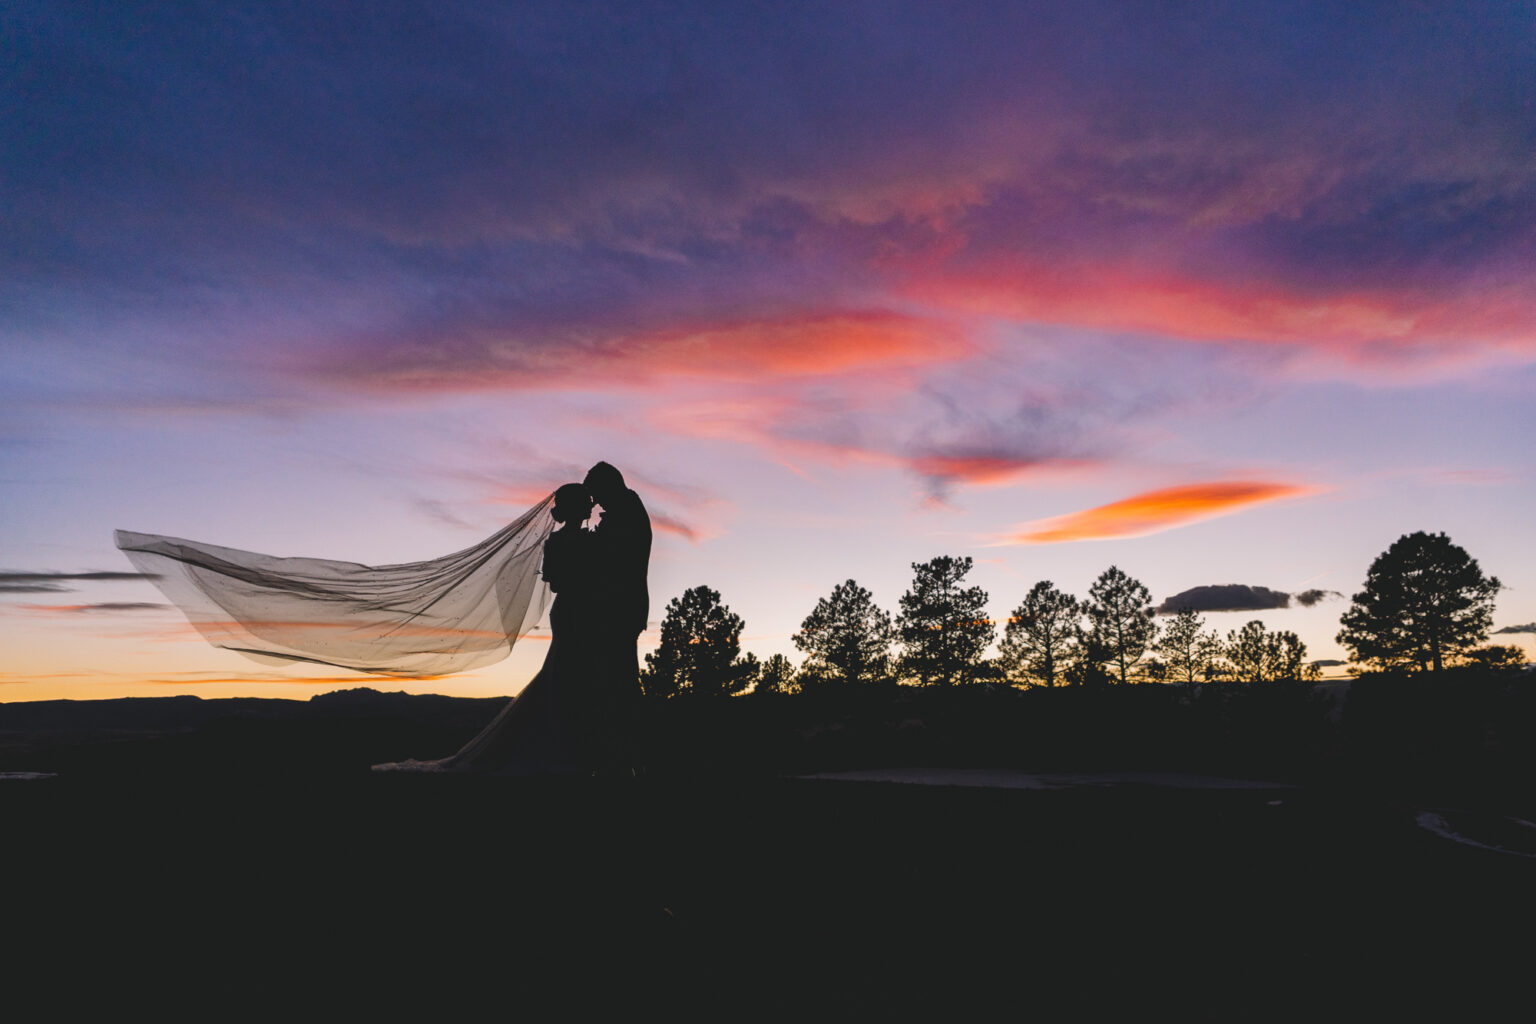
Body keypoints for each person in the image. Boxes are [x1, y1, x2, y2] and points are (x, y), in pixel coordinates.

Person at [583, 461, 652, 774]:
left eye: (597, 495)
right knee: (612, 680)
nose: (596, 504)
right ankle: (618, 755)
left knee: (618, 682)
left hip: (618, 609)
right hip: (619, 608)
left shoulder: (626, 514)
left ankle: (622, 757)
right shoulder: (627, 508)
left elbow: (613, 563)